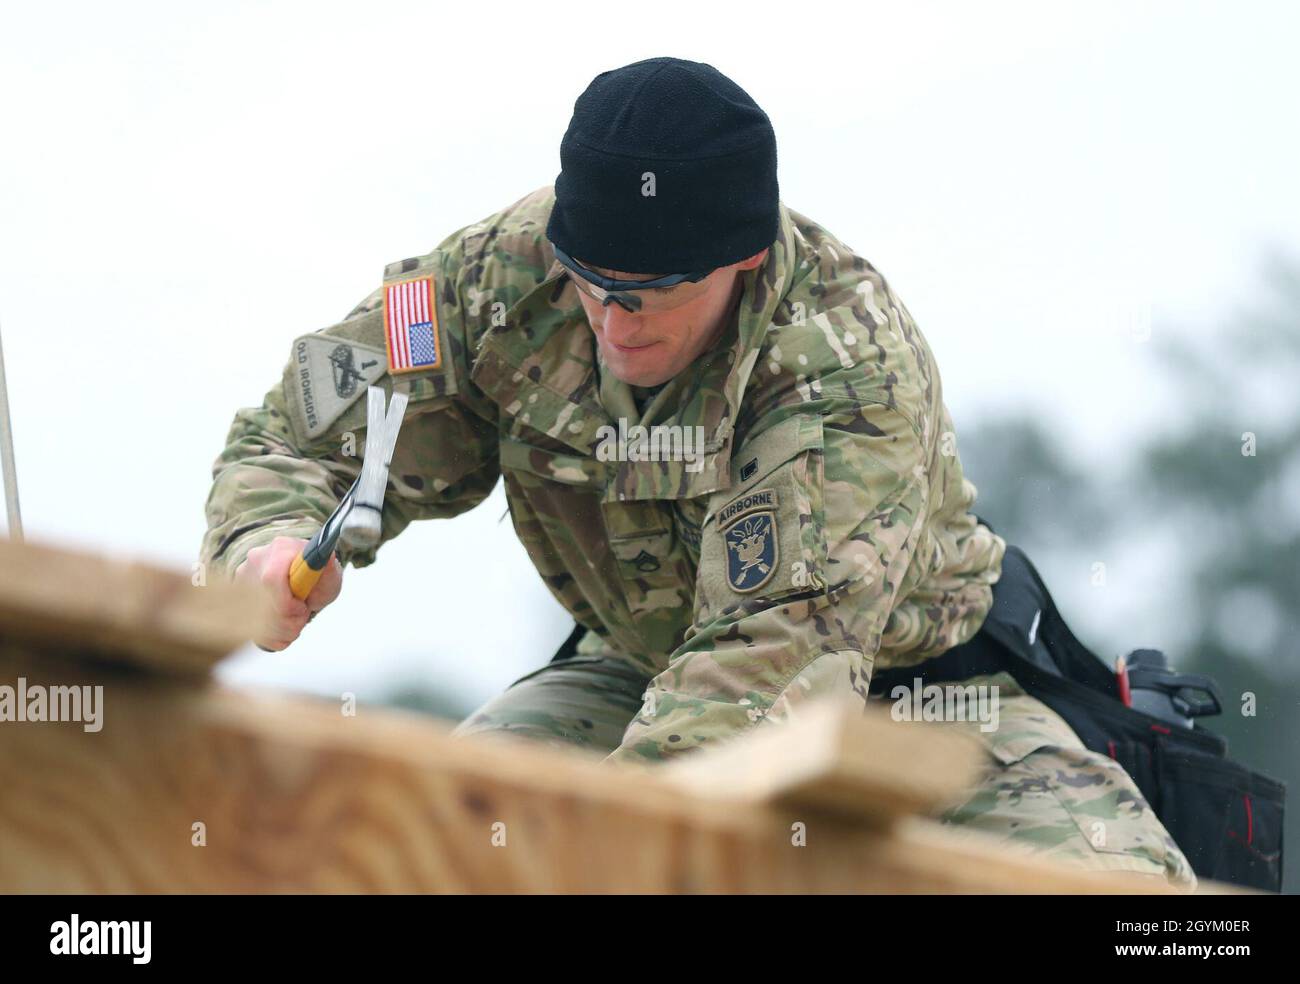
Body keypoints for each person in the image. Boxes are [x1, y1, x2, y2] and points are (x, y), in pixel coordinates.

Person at [200, 56, 1194, 889]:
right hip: (633, 676)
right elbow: (304, 428)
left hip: (919, 699)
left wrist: (593, 843)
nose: (609, 321)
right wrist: (266, 541)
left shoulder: (843, 360)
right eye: (591, 285)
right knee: (444, 846)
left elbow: (770, 671)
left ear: (745, 260)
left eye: (650, 295)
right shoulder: (490, 285)